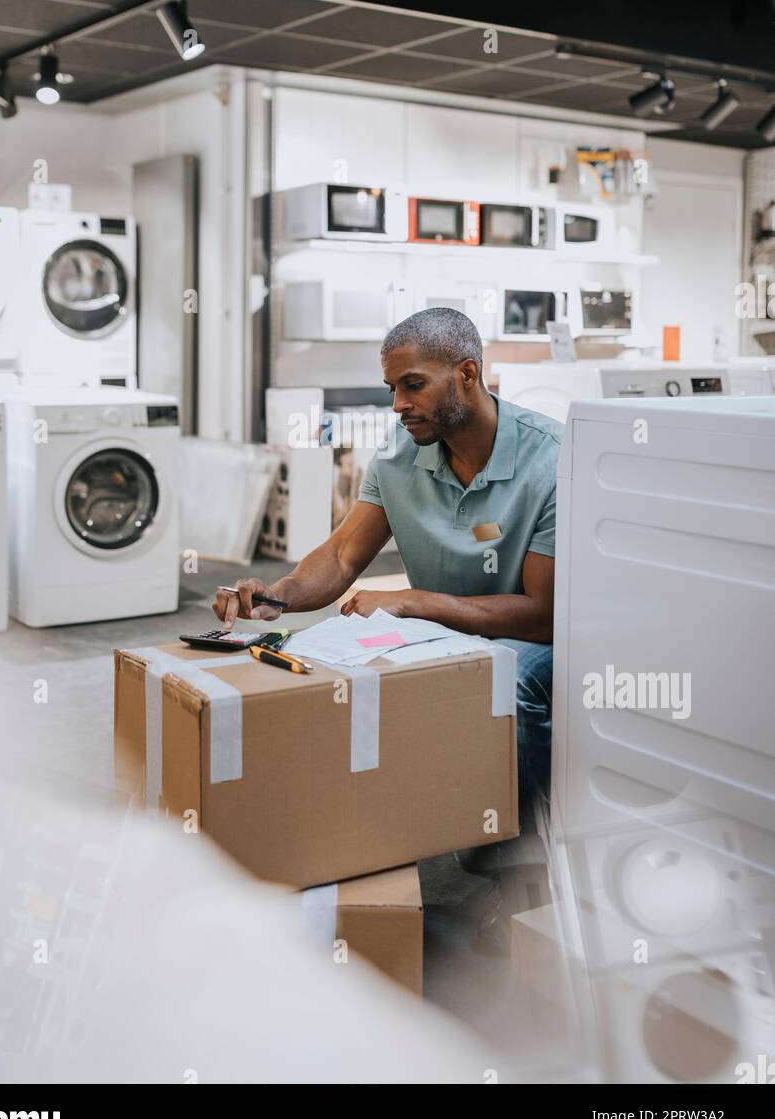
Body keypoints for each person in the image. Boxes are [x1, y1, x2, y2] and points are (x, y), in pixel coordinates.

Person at [213, 308, 563, 860]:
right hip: (441, 636)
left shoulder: (552, 461)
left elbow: (543, 615)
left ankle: (525, 866)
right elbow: (341, 556)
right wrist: (275, 595)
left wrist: (416, 603)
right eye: (392, 388)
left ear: (468, 375)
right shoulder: (400, 458)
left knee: (507, 679)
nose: (398, 405)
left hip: (532, 644)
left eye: (413, 385)